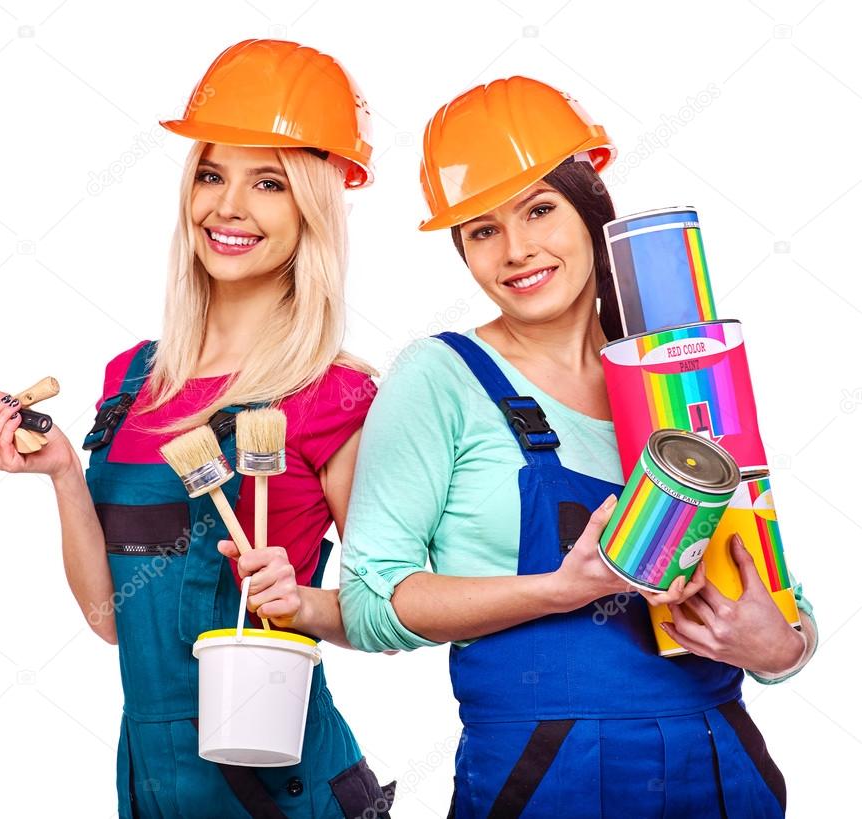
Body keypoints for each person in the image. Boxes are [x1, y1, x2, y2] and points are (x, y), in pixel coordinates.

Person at [332, 76, 818, 818]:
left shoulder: (678, 373)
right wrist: (559, 589)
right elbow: (370, 603)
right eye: (482, 230)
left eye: (538, 209)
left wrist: (780, 648)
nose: (516, 250)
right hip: (542, 777)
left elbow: (781, 593)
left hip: (722, 767)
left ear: (590, 211)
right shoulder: (440, 377)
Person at [0, 38, 394, 818]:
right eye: (211, 174)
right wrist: (62, 472)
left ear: (313, 206)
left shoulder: (334, 394)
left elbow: (392, 613)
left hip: (284, 785)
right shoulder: (132, 380)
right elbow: (110, 621)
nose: (227, 206)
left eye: (268, 182)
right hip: (152, 781)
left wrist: (300, 601)